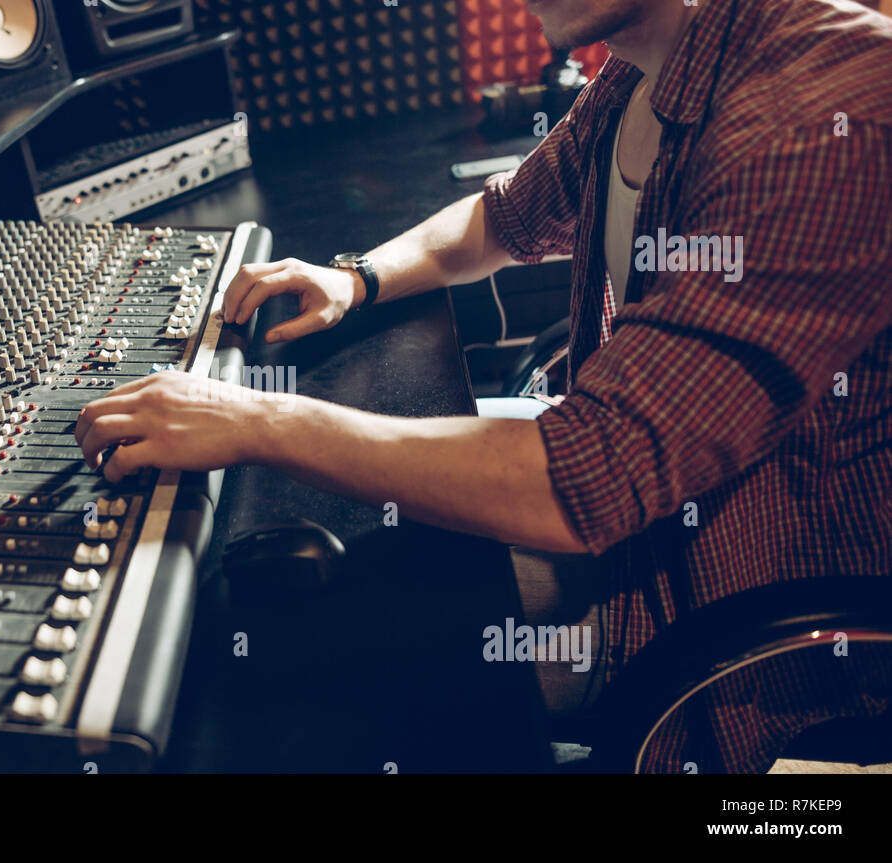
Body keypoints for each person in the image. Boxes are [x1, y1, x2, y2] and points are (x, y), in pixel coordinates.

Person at [74, 0, 892, 772]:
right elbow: (506, 217)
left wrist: (260, 421)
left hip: (725, 596)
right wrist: (355, 279)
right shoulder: (646, 65)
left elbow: (587, 479)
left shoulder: (817, 114)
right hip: (622, 495)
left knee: (296, 686)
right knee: (265, 573)